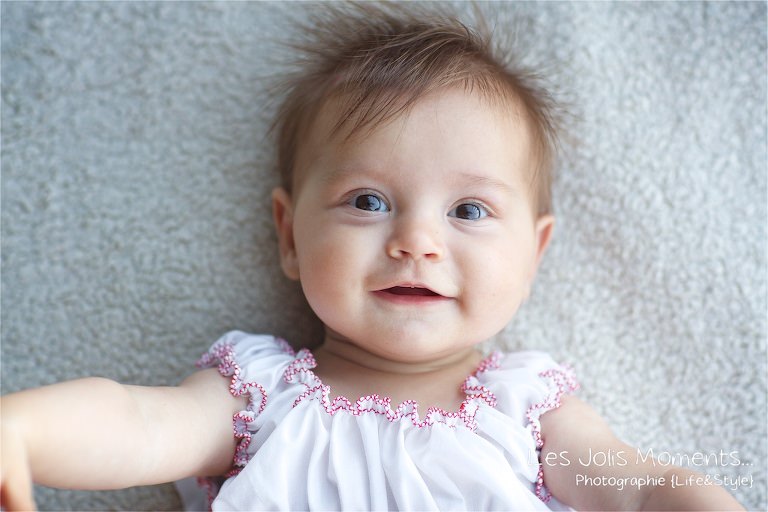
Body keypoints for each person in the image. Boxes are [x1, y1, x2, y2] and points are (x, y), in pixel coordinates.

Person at [0, 3, 745, 511]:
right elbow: (136, 423)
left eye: (468, 211)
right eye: (367, 201)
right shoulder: (258, 397)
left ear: (534, 253)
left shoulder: (529, 413)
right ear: (290, 237)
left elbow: (636, 488)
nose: (416, 242)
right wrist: (23, 433)